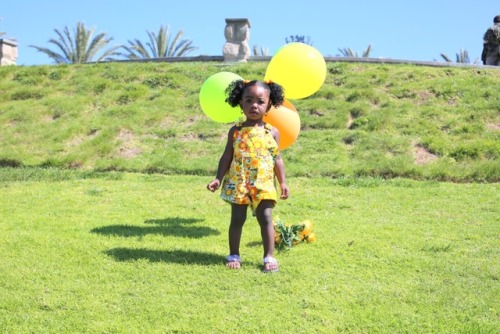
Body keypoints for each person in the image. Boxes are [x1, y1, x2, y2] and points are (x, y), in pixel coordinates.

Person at [207, 79, 289, 273]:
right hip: (239, 182)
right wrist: (218, 178)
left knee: (266, 217)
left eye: (260, 101)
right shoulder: (235, 131)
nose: (254, 105)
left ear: (269, 104)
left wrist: (283, 181)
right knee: (237, 219)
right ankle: (234, 254)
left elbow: (278, 159)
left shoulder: (272, 132)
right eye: (248, 100)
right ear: (240, 103)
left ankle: (269, 256)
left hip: (264, 183)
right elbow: (227, 156)